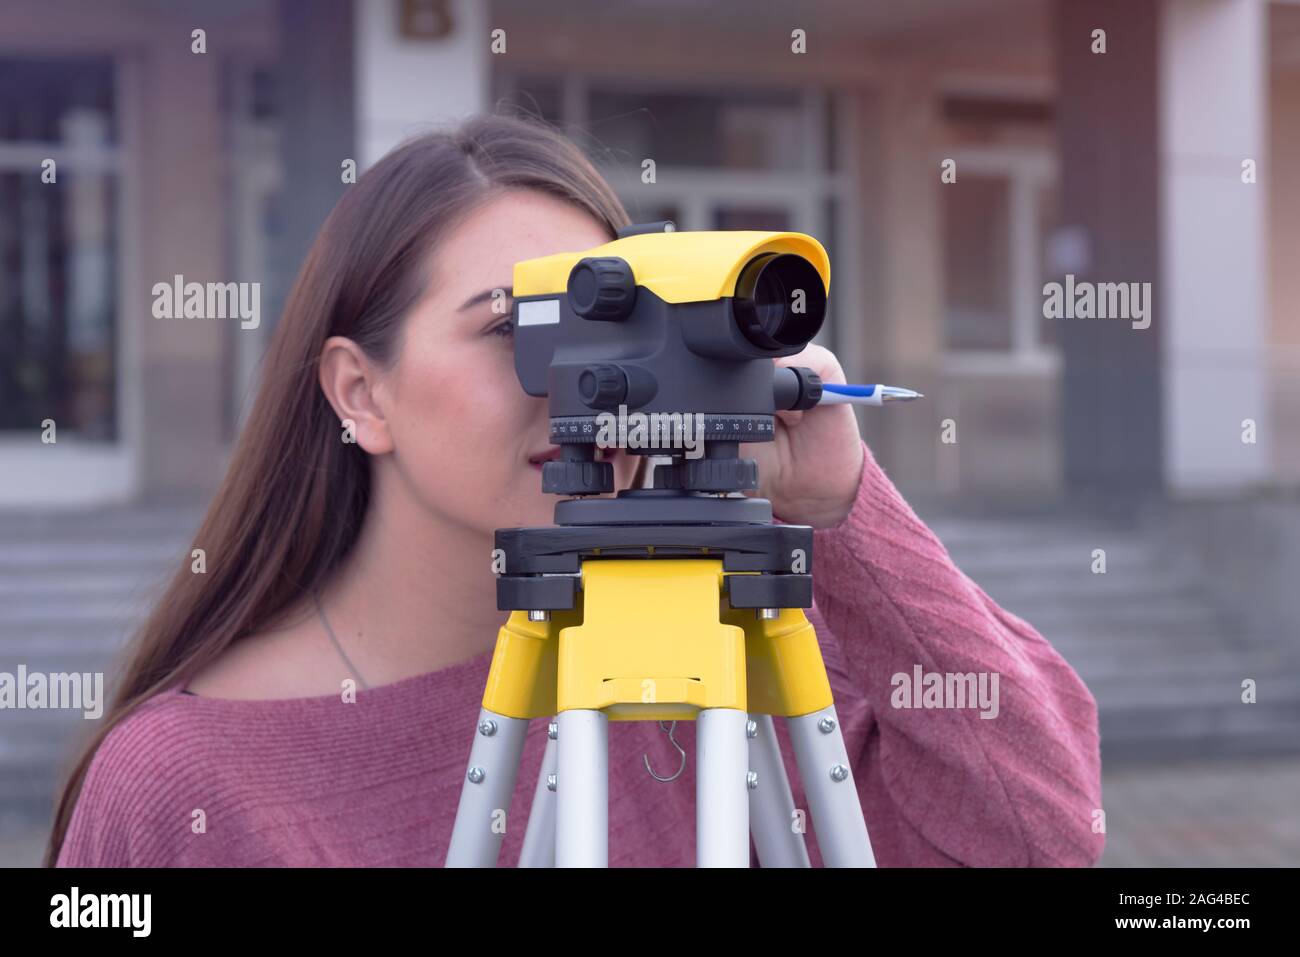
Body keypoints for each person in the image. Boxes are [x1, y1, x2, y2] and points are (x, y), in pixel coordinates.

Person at [48, 113, 1102, 867]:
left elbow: (1041, 835)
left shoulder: (741, 674)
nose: (583, 384)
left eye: (619, 322)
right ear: (358, 393)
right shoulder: (189, 786)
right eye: (520, 326)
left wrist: (844, 504)